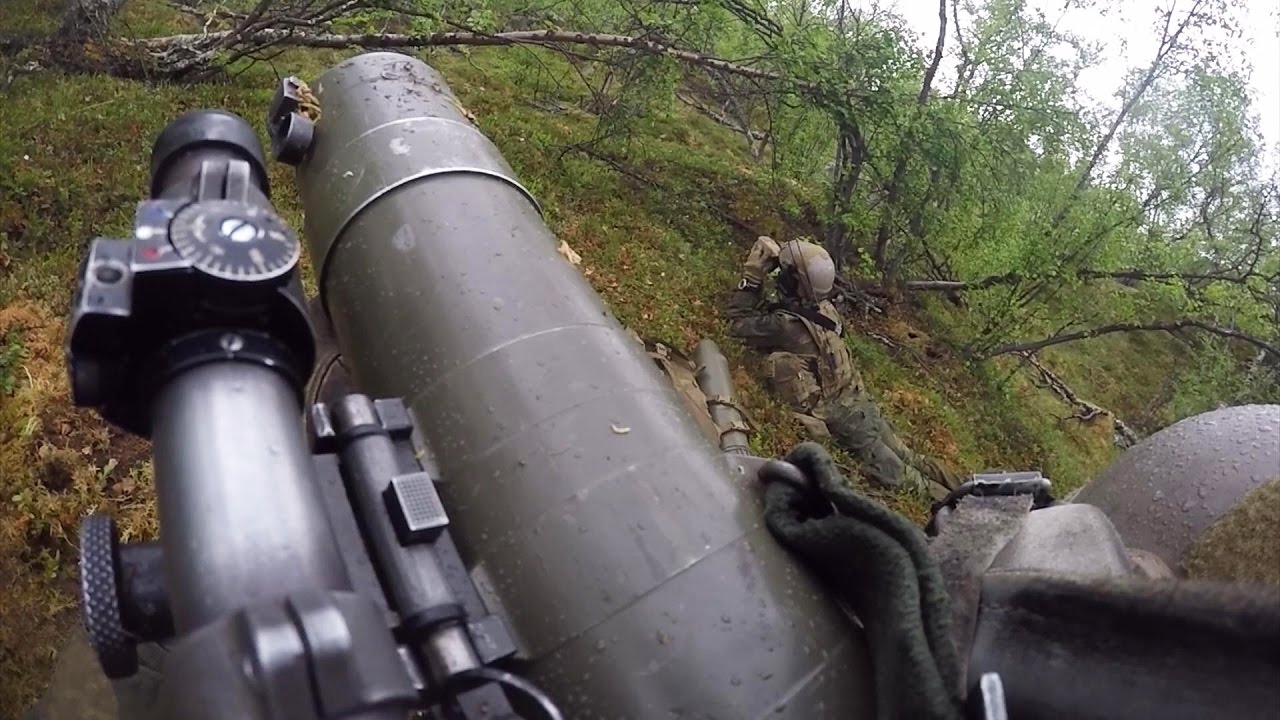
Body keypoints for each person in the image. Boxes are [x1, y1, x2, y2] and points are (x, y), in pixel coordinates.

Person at [725, 236, 961, 497]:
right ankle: (972, 485)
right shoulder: (825, 310)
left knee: (906, 479)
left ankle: (961, 503)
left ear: (795, 283)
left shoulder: (787, 326)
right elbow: (795, 296)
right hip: (861, 403)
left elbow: (737, 324)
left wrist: (752, 277)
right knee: (914, 459)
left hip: (847, 421)